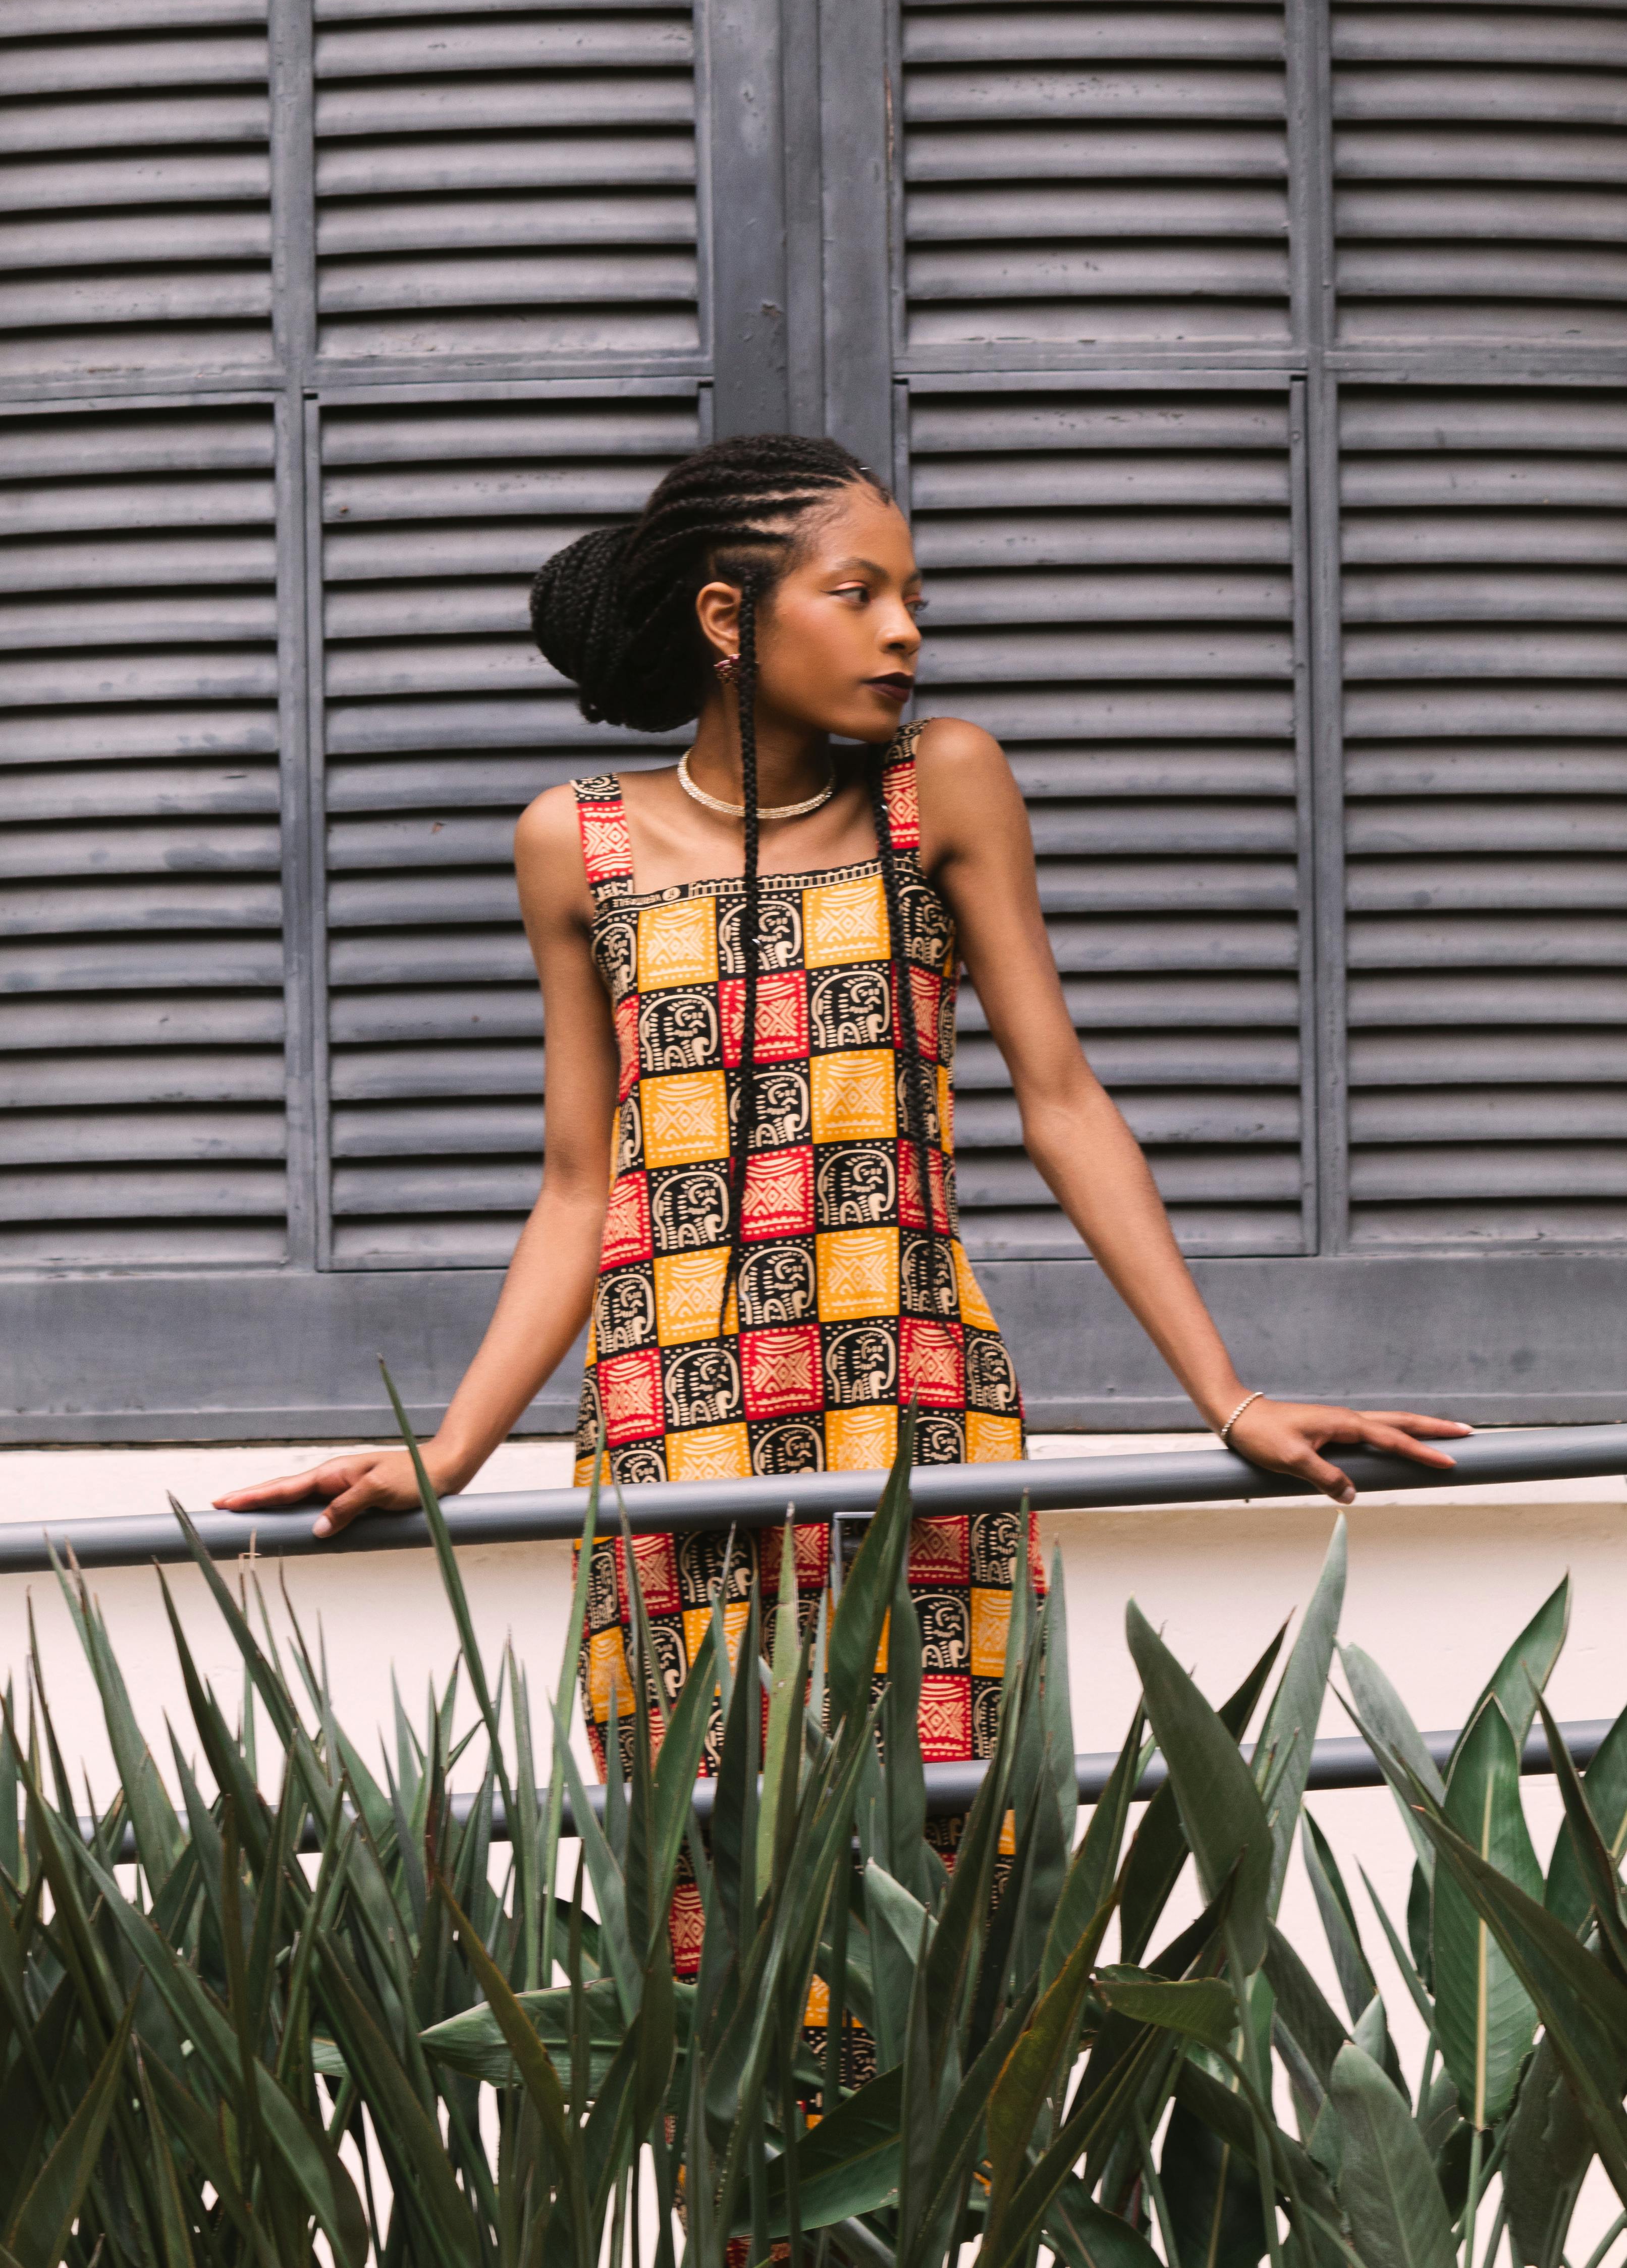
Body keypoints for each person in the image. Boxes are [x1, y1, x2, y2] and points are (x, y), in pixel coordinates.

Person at [217, 433, 1467, 1839]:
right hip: (665, 1437)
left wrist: (1225, 1396)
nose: (906, 631)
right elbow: (582, 1186)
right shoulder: (573, 843)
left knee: (947, 1880)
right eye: (859, 593)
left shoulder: (946, 789)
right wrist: (448, 1453)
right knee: (705, 1892)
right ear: (727, 620)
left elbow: (1062, 1100)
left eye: (912, 596)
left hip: (914, 1419)